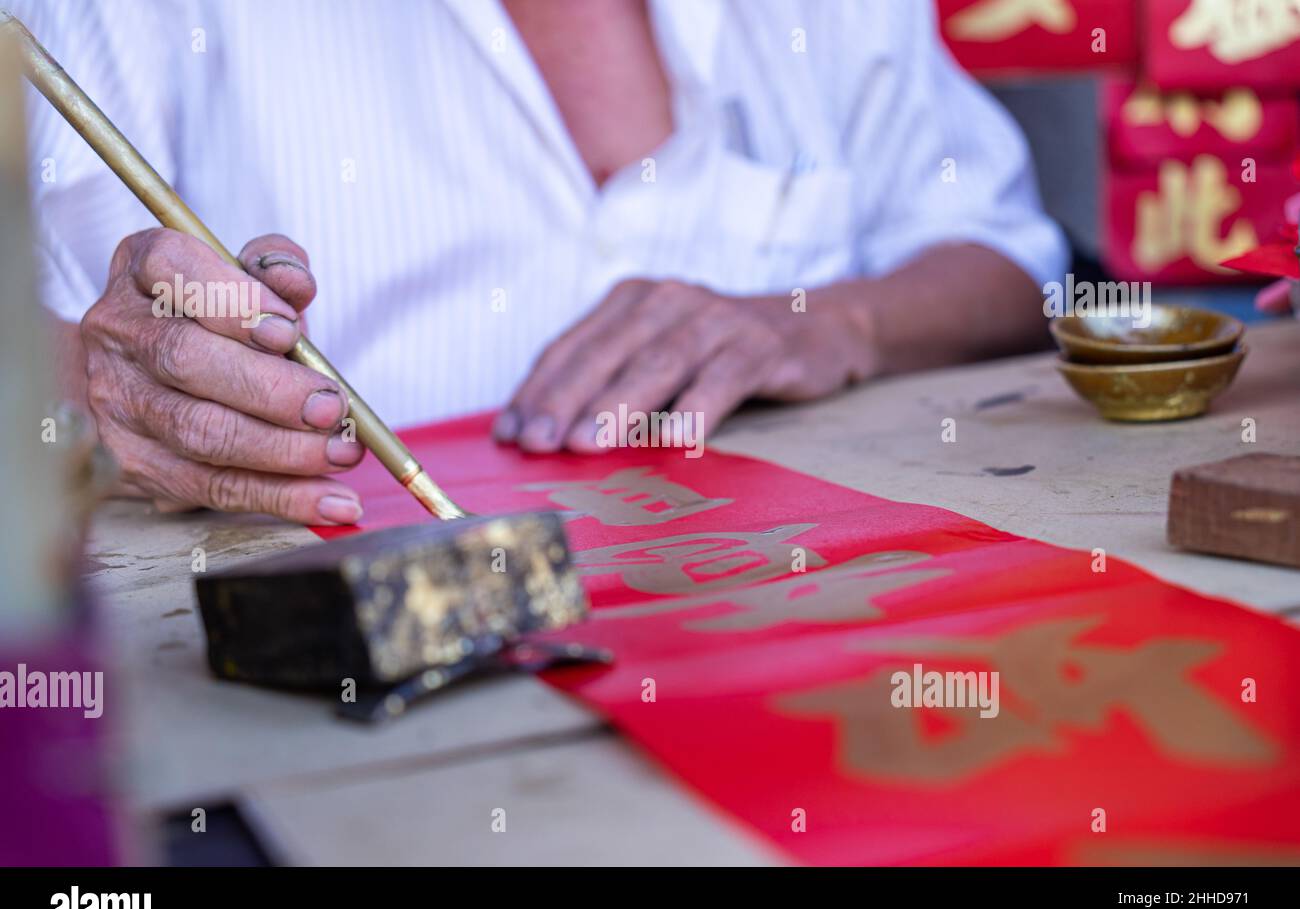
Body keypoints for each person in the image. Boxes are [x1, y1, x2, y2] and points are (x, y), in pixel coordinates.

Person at [17, 0, 1067, 525]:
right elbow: (45, 343)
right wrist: (99, 377)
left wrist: (831, 320)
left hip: (779, 644)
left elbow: (1010, 263)